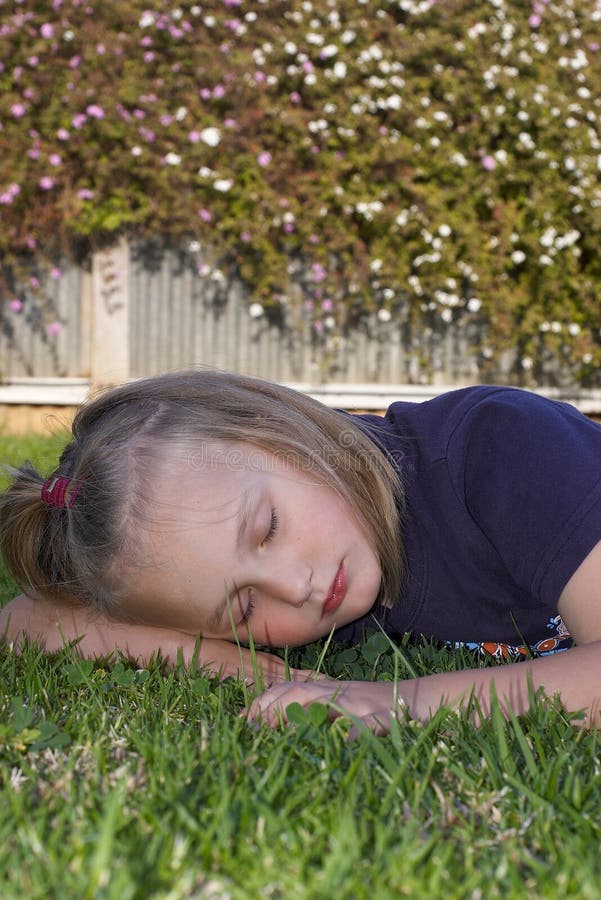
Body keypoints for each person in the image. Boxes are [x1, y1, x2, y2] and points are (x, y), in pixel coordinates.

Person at [2, 369, 601, 733]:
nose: (293, 587)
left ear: (282, 431)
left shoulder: (506, 451)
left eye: (266, 528)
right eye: (241, 610)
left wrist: (404, 702)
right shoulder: (328, 566)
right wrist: (214, 659)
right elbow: (23, 621)